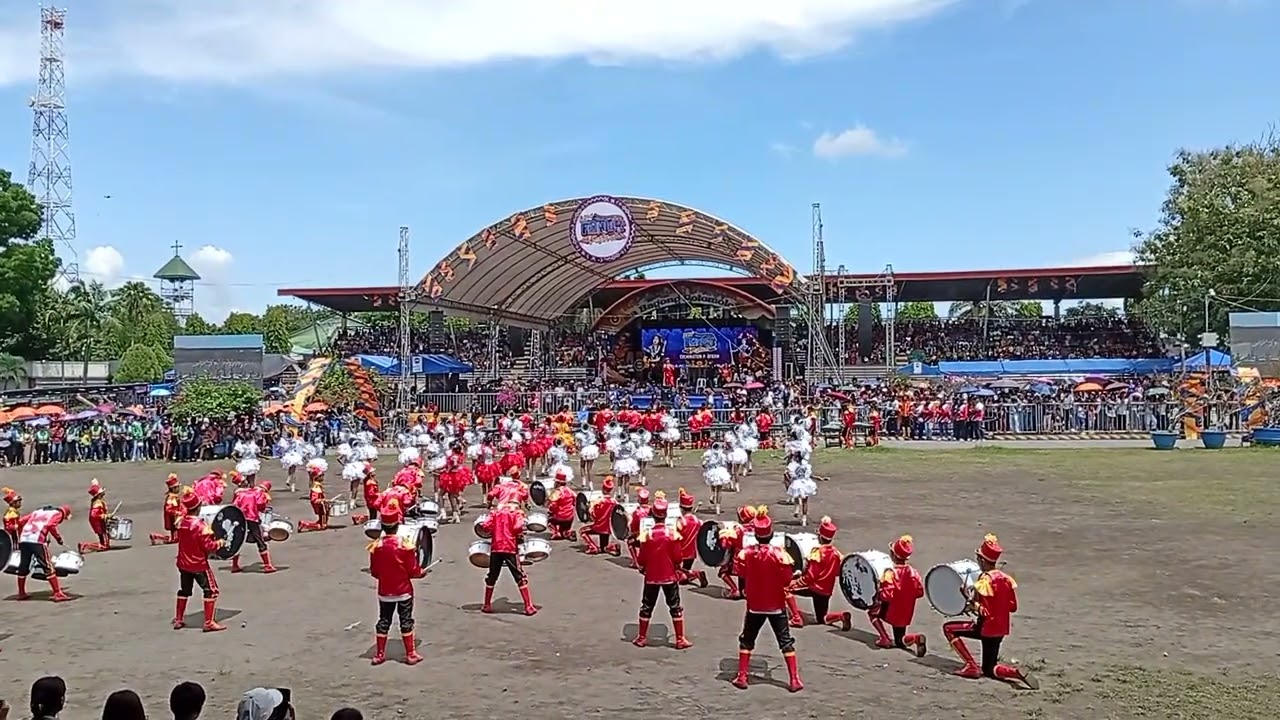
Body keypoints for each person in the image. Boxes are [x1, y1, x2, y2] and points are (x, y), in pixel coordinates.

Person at [942, 534, 1037, 688]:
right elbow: (1013, 607)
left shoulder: (984, 580)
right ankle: (1014, 673)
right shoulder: (1006, 579)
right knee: (989, 668)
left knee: (948, 629)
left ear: (983, 560)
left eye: (979, 558)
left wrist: (968, 598)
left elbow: (984, 612)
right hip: (1001, 629)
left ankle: (971, 665)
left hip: (986, 629)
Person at [732, 509, 803, 692]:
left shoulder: (746, 553)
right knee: (785, 641)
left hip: (755, 605)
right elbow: (787, 580)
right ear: (771, 534)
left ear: (756, 535)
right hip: (777, 606)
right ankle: (794, 679)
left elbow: (739, 572)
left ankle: (742, 676)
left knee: (747, 640)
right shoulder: (780, 554)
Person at [368, 499, 427, 666]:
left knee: (383, 620)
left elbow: (374, 571)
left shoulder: (376, 546)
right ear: (398, 525)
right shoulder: (406, 546)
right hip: (403, 591)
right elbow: (414, 571)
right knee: (406, 620)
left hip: (384, 592)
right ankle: (410, 654)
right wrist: (421, 573)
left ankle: (379, 654)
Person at [632, 498, 692, 649]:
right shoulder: (672, 534)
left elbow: (642, 558)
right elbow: (678, 557)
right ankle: (679, 639)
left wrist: (642, 567)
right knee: (675, 606)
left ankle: (641, 637)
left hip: (651, 576)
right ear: (665, 515)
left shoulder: (647, 535)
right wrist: (677, 567)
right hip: (670, 576)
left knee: (646, 606)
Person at [173, 489, 227, 632]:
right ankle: (209, 622)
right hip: (198, 564)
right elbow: (209, 546)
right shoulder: (200, 526)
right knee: (211, 590)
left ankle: (179, 619)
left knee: (184, 590)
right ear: (198, 508)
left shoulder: (182, 522)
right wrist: (220, 543)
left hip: (183, 563)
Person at [785, 516, 852, 630]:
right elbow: (837, 571)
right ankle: (841, 616)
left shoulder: (818, 553)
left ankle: (796, 617)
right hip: (826, 590)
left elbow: (811, 576)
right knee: (822, 618)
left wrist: (796, 582)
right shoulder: (836, 553)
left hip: (814, 587)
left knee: (785, 589)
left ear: (820, 537)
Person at [867, 534, 925, 655]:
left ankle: (884, 638)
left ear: (893, 555)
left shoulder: (890, 572)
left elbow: (886, 596)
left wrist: (878, 592)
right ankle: (914, 638)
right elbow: (920, 592)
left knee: (873, 613)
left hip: (892, 610)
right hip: (907, 611)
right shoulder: (914, 572)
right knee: (899, 640)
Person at [478, 502, 537, 615]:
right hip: (509, 548)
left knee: (492, 576)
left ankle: (487, 604)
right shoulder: (516, 514)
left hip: (496, 548)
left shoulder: (495, 513)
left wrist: (495, 530)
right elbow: (517, 527)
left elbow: (485, 526)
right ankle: (528, 606)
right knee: (520, 576)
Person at [14, 504, 73, 602]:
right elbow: (51, 525)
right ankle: (58, 593)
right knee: (47, 566)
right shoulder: (58, 513)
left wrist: (21, 535)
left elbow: (20, 522)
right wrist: (58, 538)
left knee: (23, 566)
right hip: (37, 540)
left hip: (24, 539)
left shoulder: (37, 511)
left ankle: (21, 592)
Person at [230, 475, 277, 574]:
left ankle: (234, 565)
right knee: (260, 540)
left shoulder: (240, 493)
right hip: (252, 517)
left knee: (238, 540)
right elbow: (260, 505)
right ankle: (267, 565)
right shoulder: (257, 493)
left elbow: (234, 505)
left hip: (239, 517)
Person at [717, 505, 758, 599]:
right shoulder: (757, 528)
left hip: (740, 558)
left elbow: (726, 544)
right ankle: (746, 591)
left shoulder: (739, 530)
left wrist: (723, 535)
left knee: (723, 572)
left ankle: (734, 589)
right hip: (754, 557)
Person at [674, 488, 708, 587]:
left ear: (681, 508)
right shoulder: (697, 521)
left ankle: (695, 574)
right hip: (692, 553)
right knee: (683, 576)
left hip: (681, 552)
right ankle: (690, 574)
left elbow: (675, 536)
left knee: (677, 575)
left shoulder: (681, 521)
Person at [581, 477, 621, 556]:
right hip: (609, 528)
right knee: (603, 547)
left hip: (599, 526)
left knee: (582, 532)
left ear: (603, 489)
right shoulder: (614, 502)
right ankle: (611, 547)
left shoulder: (598, 501)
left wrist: (588, 508)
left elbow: (593, 515)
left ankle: (593, 547)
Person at [79, 479, 113, 555]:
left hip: (98, 522)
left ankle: (99, 544)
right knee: (105, 545)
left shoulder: (98, 501)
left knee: (103, 538)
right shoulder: (97, 503)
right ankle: (86, 545)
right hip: (98, 523)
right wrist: (106, 516)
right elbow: (94, 515)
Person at [149, 474, 184, 545]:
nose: (179, 489)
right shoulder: (171, 498)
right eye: (177, 487)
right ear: (173, 488)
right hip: (173, 519)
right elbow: (169, 509)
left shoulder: (174, 497)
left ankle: (157, 537)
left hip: (175, 519)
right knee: (175, 538)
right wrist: (177, 513)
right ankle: (157, 536)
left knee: (176, 536)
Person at [545, 469, 577, 541]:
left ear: (558, 483)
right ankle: (567, 532)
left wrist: (550, 511)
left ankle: (556, 533)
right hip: (569, 517)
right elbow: (575, 501)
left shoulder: (557, 492)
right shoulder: (570, 491)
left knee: (549, 520)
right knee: (564, 530)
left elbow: (553, 505)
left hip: (560, 516)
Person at [625, 488, 652, 568]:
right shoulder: (652, 509)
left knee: (630, 541)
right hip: (652, 535)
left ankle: (636, 562)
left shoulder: (637, 512)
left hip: (641, 537)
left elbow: (633, 528)